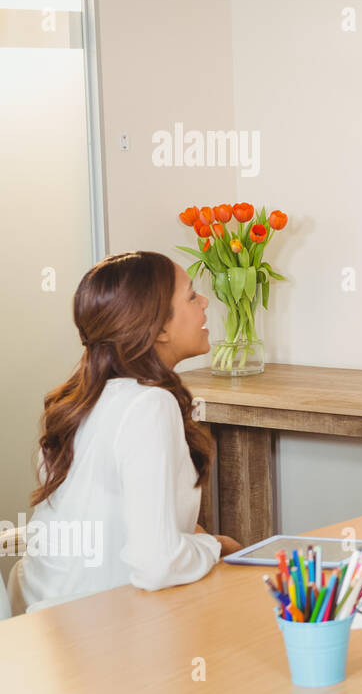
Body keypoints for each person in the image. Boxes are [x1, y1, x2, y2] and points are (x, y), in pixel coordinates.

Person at [14, 251, 241, 613]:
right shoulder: (149, 404)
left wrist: (195, 537)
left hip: (41, 623)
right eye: (191, 296)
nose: (205, 302)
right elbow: (156, 565)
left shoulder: (82, 400)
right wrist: (217, 546)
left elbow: (116, 513)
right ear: (160, 327)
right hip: (102, 634)